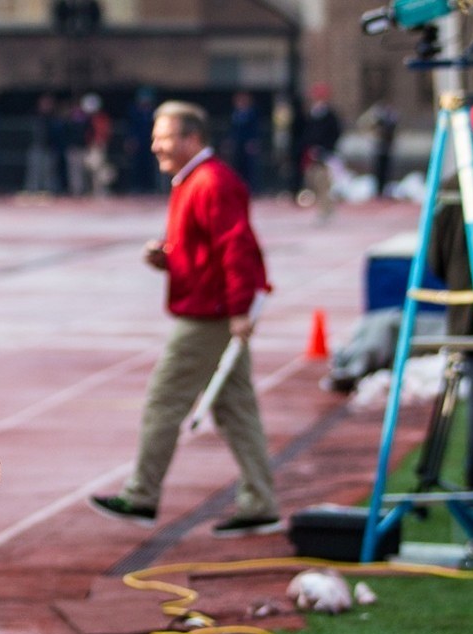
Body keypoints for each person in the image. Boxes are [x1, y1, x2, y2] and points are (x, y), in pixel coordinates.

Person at [89, 101, 279, 537]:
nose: (155, 145)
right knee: (237, 410)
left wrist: (239, 311)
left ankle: (142, 495)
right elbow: (209, 250)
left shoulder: (210, 182)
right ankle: (260, 501)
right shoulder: (197, 180)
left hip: (210, 315)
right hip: (215, 308)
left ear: (192, 139)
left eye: (164, 137)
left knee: (164, 400)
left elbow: (236, 248)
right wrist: (169, 258)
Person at [298, 84, 342, 222]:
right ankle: (323, 208)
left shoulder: (330, 115)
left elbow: (335, 134)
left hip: (325, 156)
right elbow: (306, 133)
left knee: (324, 184)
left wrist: (325, 148)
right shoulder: (311, 114)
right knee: (314, 183)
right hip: (311, 155)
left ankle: (325, 210)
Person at [364, 100, 398, 198]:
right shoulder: (377, 118)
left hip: (387, 147)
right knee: (377, 169)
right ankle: (377, 190)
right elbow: (365, 124)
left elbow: (394, 129)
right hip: (378, 147)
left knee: (386, 170)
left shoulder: (391, 118)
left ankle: (385, 189)